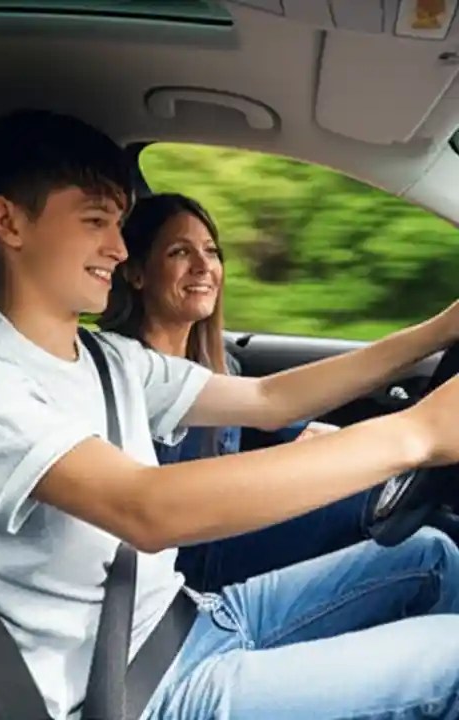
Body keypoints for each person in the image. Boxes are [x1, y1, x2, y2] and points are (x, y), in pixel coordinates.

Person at [0, 108, 459, 719]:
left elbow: (272, 401)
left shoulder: (110, 359)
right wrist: (417, 434)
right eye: (94, 221)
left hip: (191, 620)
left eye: (119, 223)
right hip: (132, 691)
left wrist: (442, 328)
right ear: (8, 222)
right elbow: (145, 508)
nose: (117, 245)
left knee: (429, 558)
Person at [98, 192, 381, 592]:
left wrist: (315, 444)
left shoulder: (220, 366)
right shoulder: (121, 375)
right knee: (392, 524)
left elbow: (278, 412)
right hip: (180, 564)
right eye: (180, 252)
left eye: (212, 252)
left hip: (226, 533)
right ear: (136, 272)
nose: (203, 267)